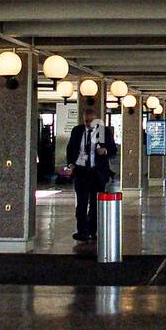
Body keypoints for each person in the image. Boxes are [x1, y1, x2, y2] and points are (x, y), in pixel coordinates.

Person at [65, 102, 117, 243]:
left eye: (91, 121)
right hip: (81, 172)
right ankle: (82, 231)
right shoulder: (77, 131)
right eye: (86, 121)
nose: (88, 124)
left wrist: (104, 151)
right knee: (81, 204)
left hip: (97, 173)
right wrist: (71, 165)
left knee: (95, 204)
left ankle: (92, 231)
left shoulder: (102, 131)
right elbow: (70, 150)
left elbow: (113, 149)